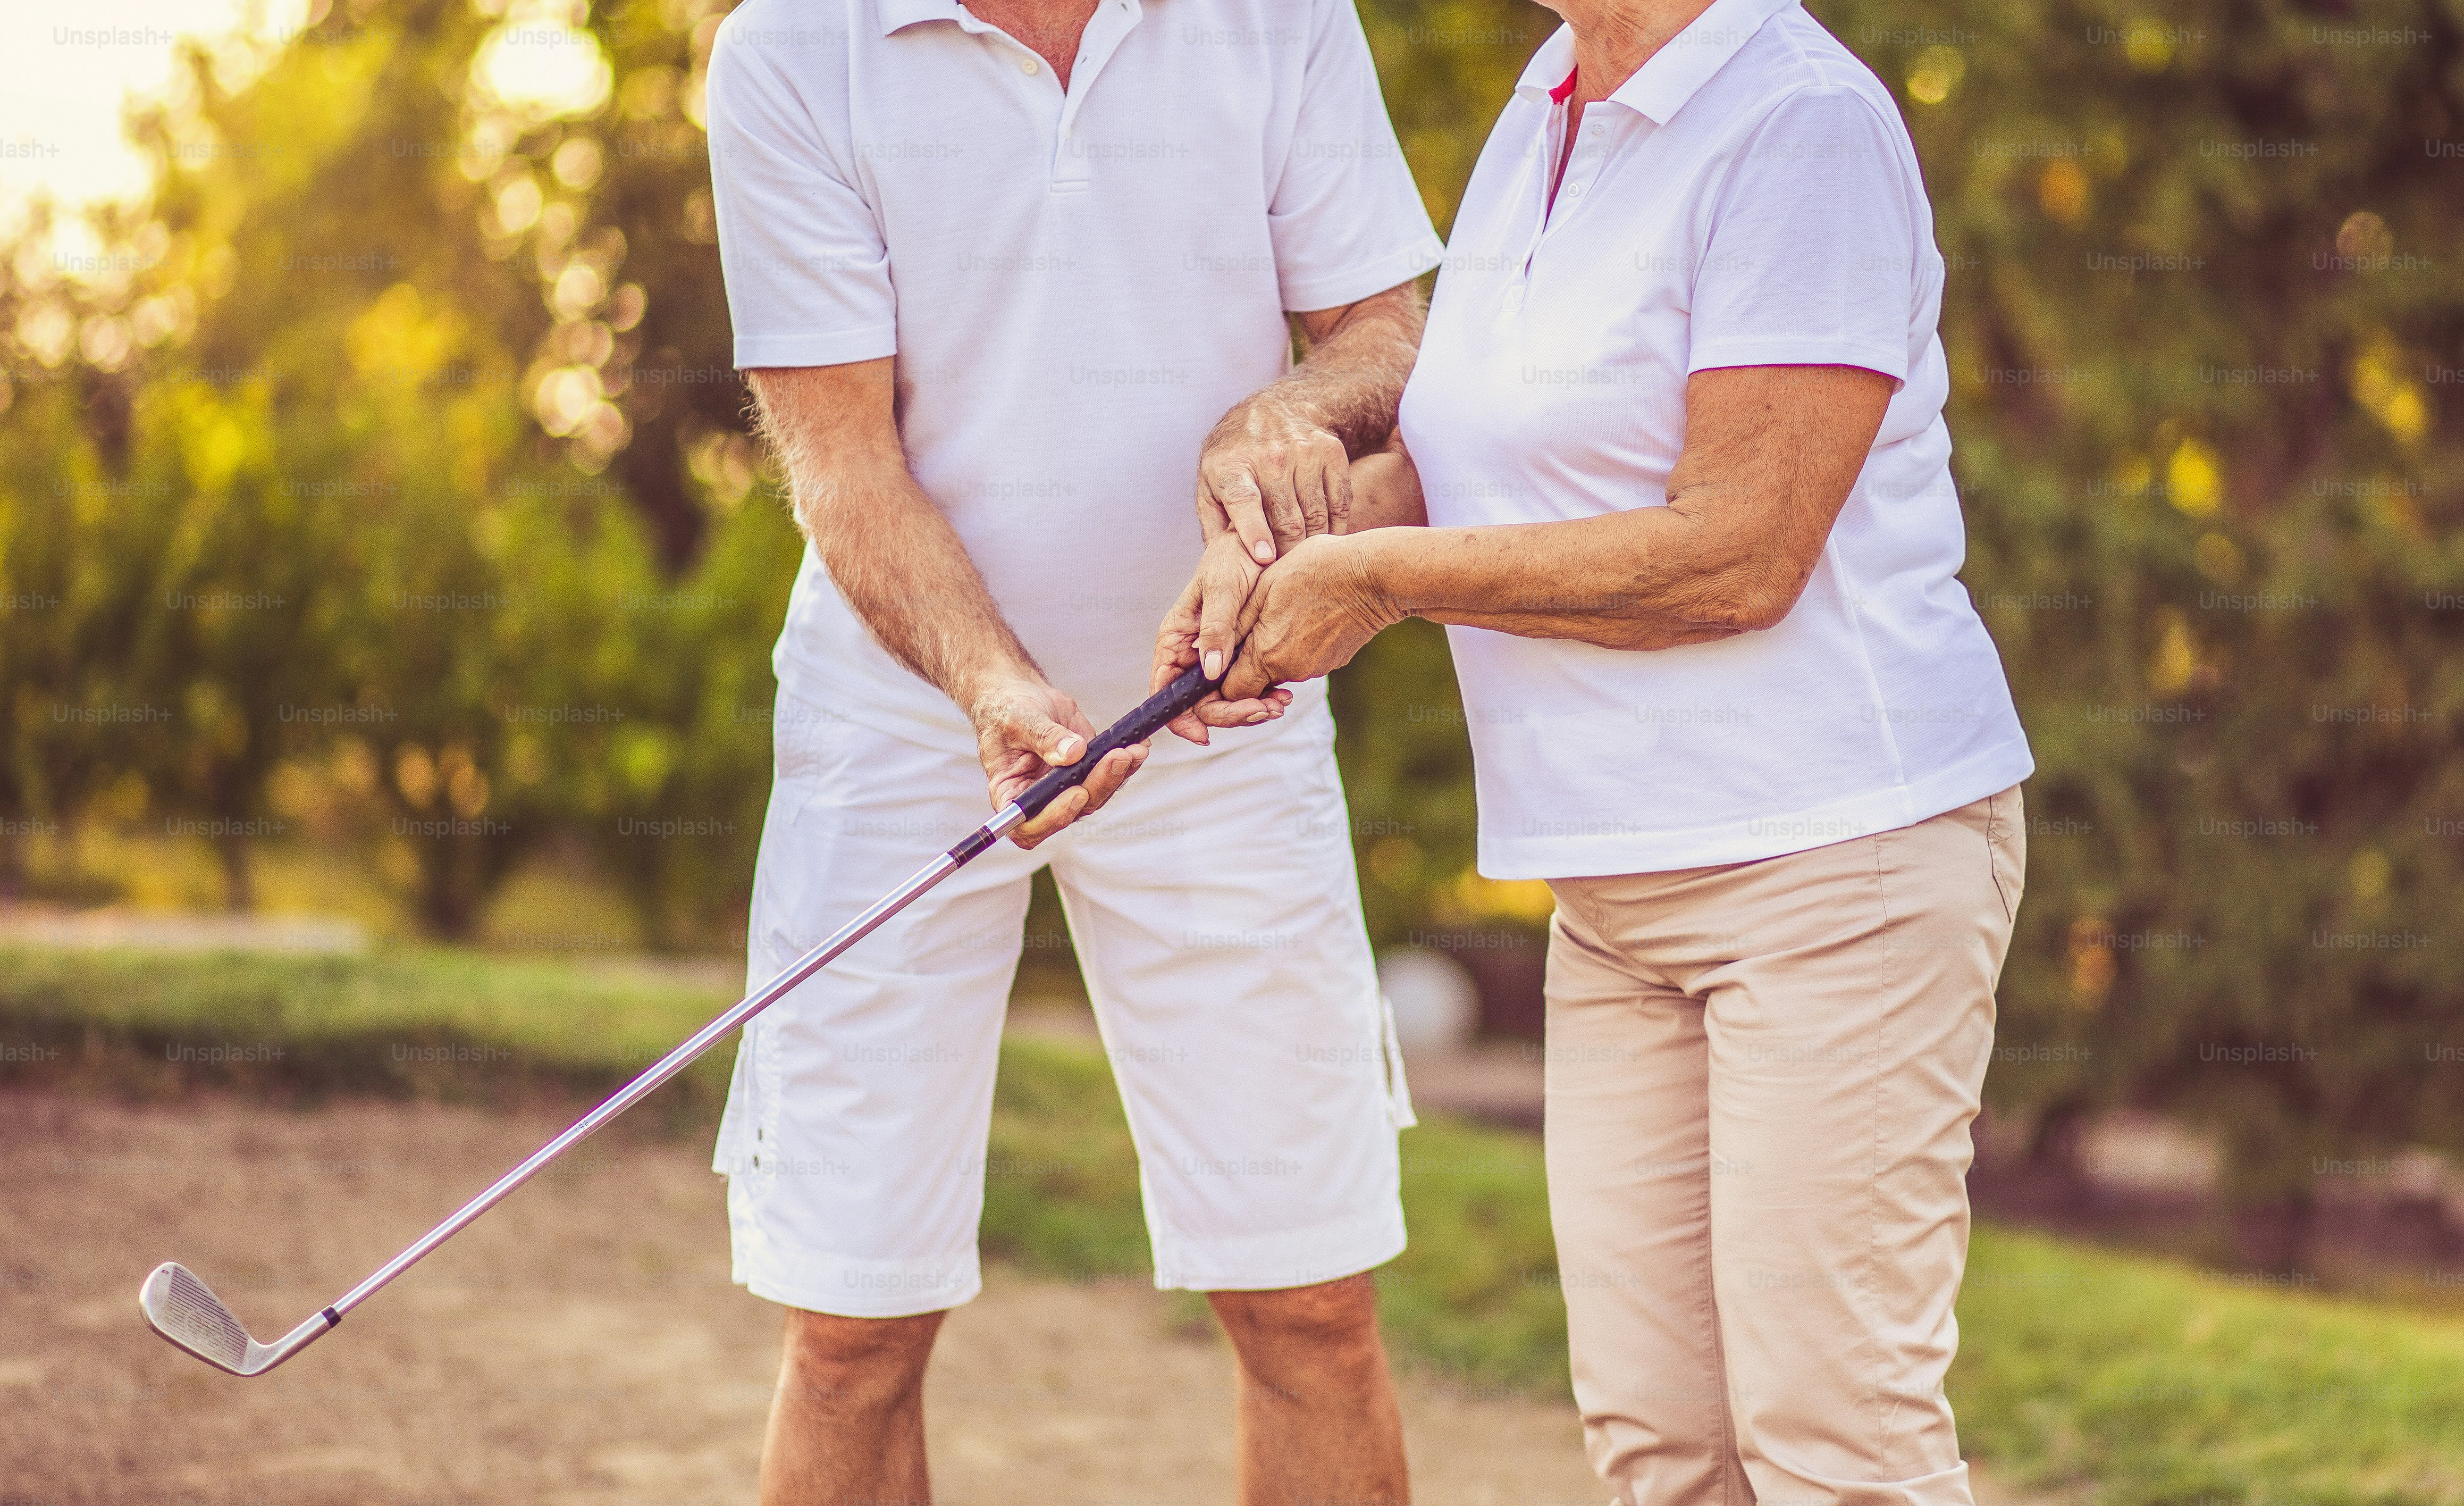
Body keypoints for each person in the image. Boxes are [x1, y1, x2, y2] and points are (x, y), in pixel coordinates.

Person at [1154, 0, 2036, 1500]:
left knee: (1835, 1444)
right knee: (1660, 1448)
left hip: (1835, 868)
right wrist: (1298, 557)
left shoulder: (1797, 121)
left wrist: (1375, 589)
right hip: (1611, 894)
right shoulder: (1546, 106)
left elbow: (1737, 554)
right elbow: (1468, 448)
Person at [699, 0, 1440, 1499]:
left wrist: (1284, 412)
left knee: (1308, 1301)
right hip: (903, 722)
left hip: (1229, 710)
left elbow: (1393, 334)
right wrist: (991, 684)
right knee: (850, 1323)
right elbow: (839, 460)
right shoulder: (789, 46)